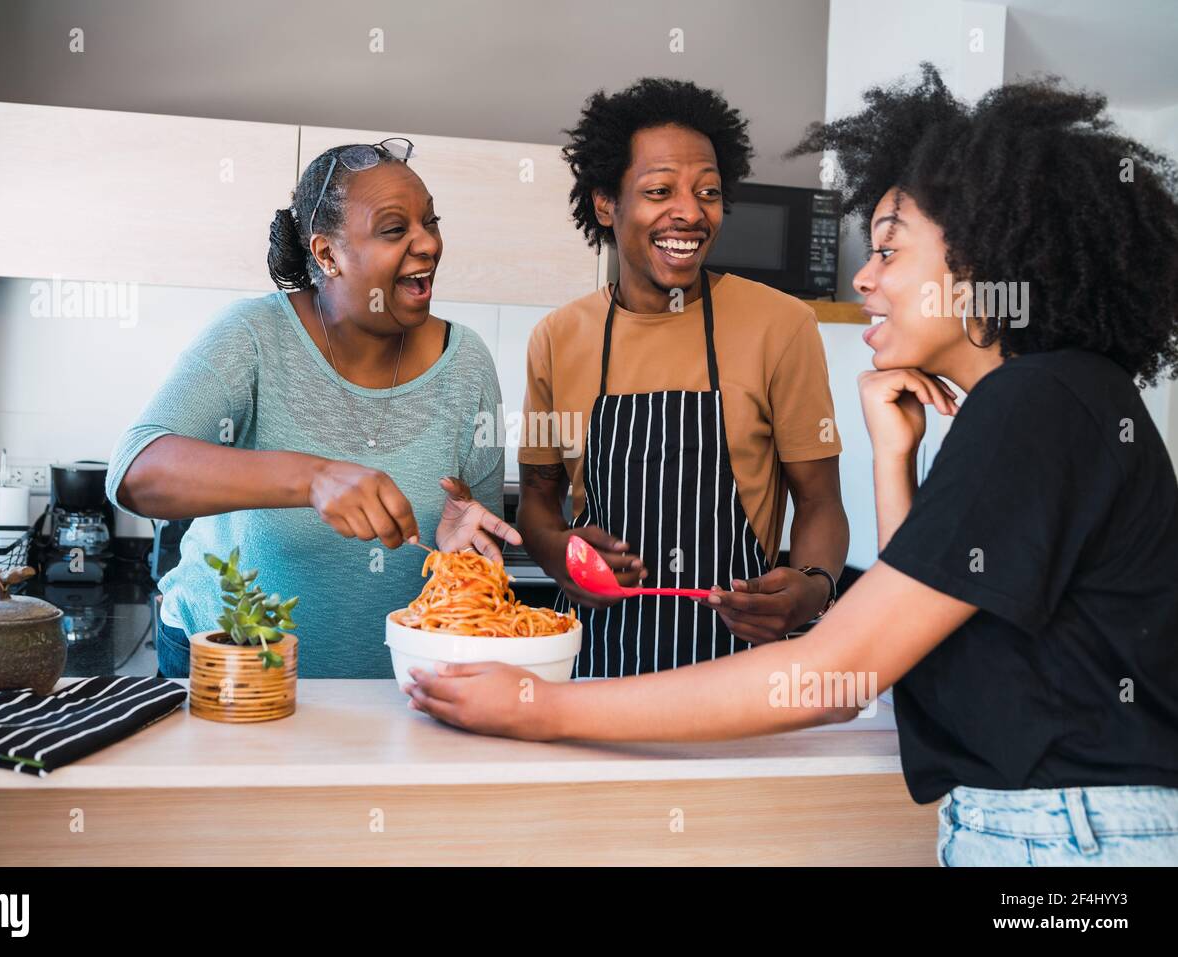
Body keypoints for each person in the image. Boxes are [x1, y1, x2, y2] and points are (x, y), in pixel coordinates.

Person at [405, 66, 1178, 866]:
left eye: (887, 250)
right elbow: (920, 650)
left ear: (982, 256)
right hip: (1050, 826)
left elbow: (836, 671)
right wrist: (892, 458)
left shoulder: (1036, 404)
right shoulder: (1042, 403)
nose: (863, 279)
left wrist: (539, 707)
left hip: (1067, 835)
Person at [108, 139, 518, 679]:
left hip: (396, 681)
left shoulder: (466, 364)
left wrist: (459, 550)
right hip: (236, 666)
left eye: (431, 222)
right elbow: (135, 472)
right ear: (326, 254)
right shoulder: (253, 337)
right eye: (396, 230)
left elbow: (479, 560)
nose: (428, 244)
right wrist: (312, 478)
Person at [515, 78, 849, 676]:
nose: (691, 213)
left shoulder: (782, 326)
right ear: (606, 203)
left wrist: (813, 586)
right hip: (599, 667)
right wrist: (560, 554)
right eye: (659, 190)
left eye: (708, 192)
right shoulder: (558, 339)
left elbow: (821, 504)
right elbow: (538, 501)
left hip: (739, 671)